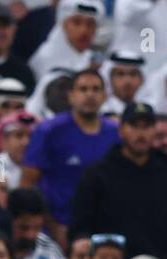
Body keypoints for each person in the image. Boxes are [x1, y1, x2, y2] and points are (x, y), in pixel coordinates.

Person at [70, 102, 167, 259]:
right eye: (134, 126)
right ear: (121, 130)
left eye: (146, 126)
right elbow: (81, 226)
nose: (141, 133)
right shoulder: (97, 175)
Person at [21, 69, 118, 244]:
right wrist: (52, 227)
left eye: (96, 89)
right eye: (83, 89)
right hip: (57, 228)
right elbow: (28, 184)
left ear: (105, 96)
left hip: (104, 229)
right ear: (71, 95)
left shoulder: (115, 133)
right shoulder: (49, 131)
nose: (90, 95)